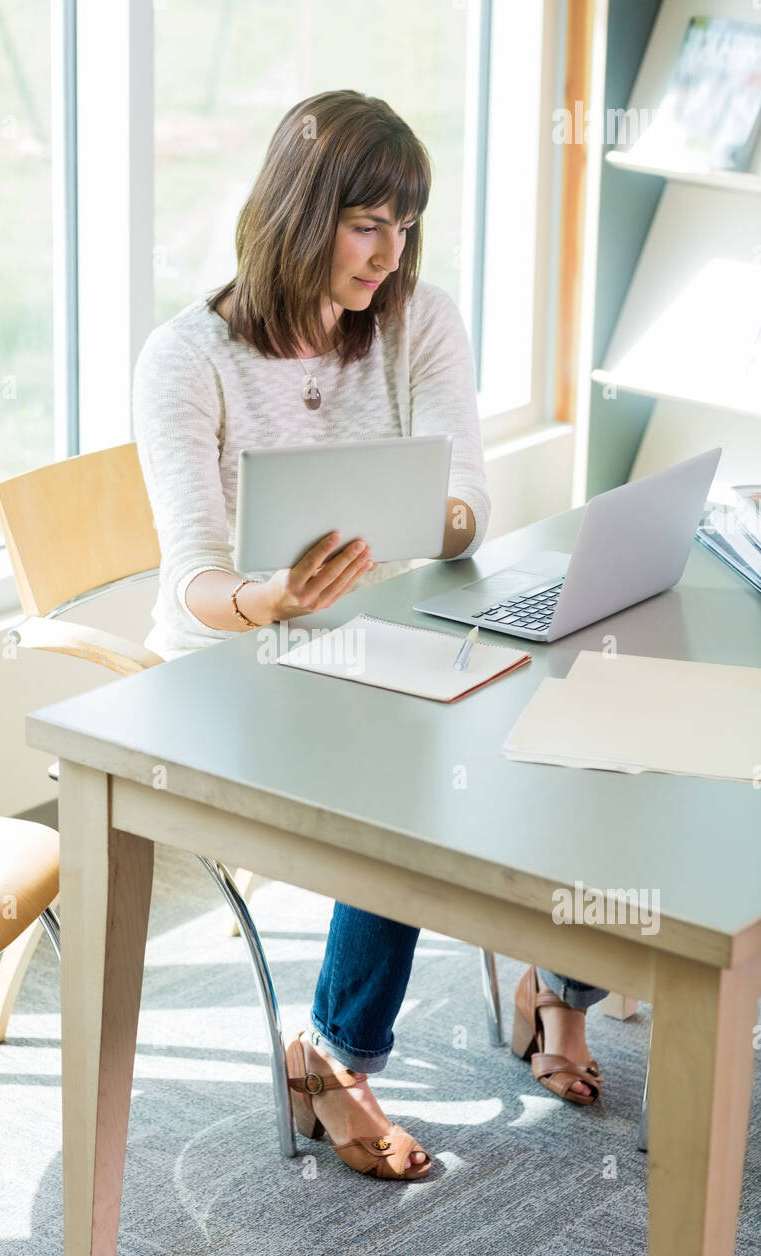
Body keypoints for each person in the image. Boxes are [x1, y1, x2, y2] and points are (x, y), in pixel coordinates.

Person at [132, 89, 607, 1184]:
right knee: (402, 772)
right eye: (366, 224)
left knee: (578, 714)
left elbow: (467, 502)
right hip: (232, 666)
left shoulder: (416, 318)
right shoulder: (185, 359)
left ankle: (558, 986)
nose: (389, 255)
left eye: (405, 228)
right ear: (302, 213)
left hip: (390, 631)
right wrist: (273, 600)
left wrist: (422, 518)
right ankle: (331, 1058)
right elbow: (196, 581)